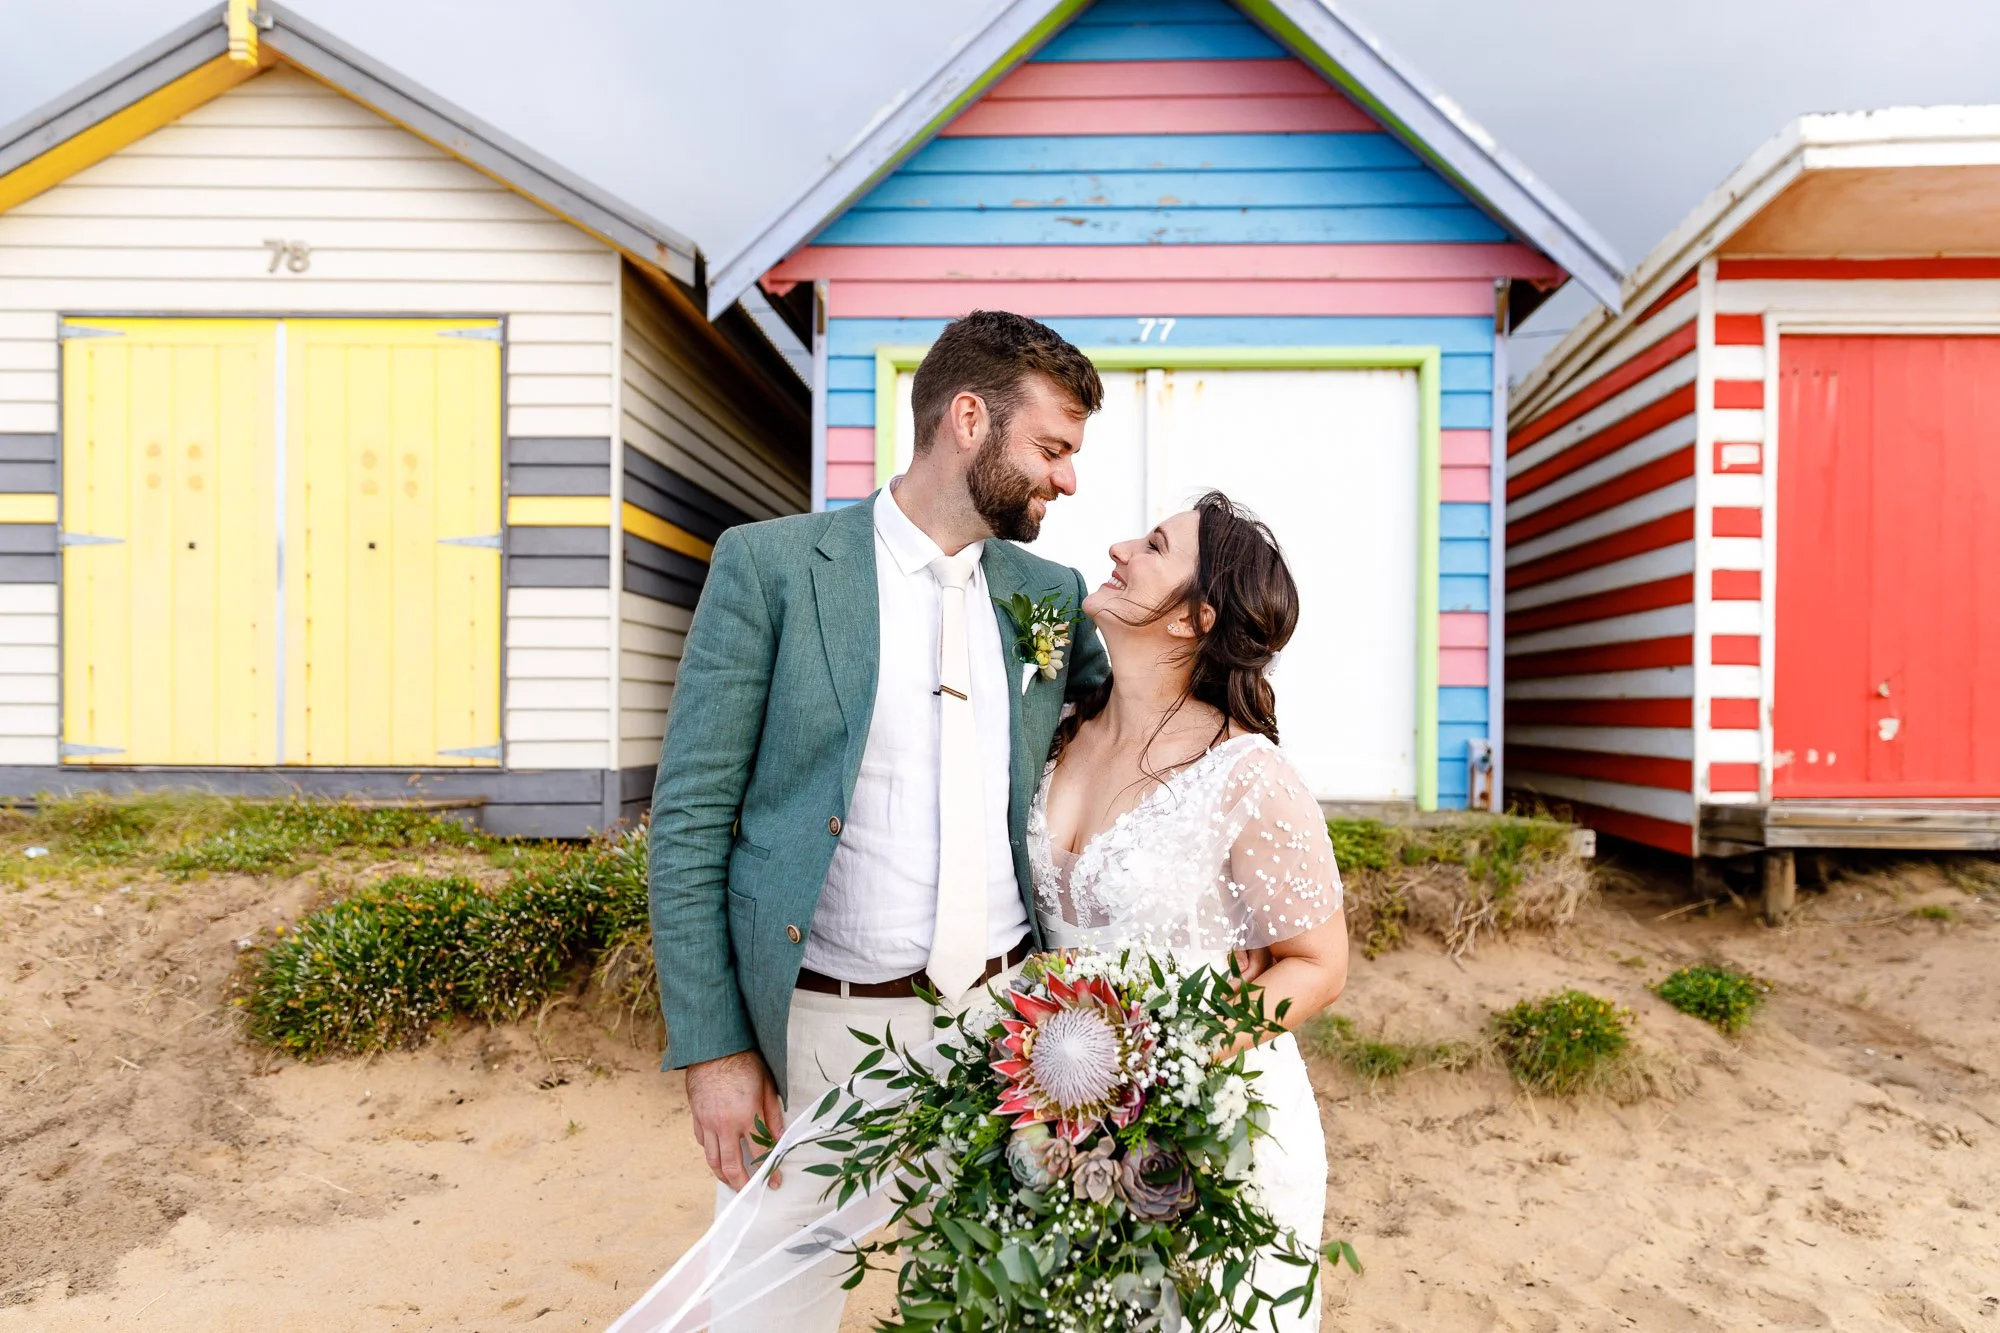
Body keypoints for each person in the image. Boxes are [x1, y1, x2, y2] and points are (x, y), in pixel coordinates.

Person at [648, 309, 1110, 1332]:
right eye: (1050, 449)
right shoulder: (767, 567)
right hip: (819, 1028)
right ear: (966, 418)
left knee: (990, 1301)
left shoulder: (1048, 596)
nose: (1066, 479)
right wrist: (715, 1049)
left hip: (1004, 1026)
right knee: (773, 1302)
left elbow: (1123, 731)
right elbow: (687, 820)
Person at [1033, 491, 1351, 1331]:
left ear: (1193, 618)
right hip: (1064, 1125)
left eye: (1154, 544)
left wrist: (1163, 1063)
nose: (1119, 546)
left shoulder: (1246, 774)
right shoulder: (1060, 730)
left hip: (1210, 1133)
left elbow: (1319, 963)